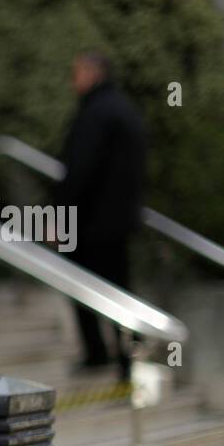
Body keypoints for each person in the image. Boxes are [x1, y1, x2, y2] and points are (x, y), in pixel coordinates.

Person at [54, 50, 146, 382]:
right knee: (119, 289)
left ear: (94, 73)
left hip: (89, 223)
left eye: (76, 73)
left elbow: (80, 170)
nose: (72, 80)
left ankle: (102, 354)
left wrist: (59, 216)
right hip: (116, 220)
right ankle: (127, 356)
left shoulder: (95, 114)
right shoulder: (123, 110)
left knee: (89, 289)